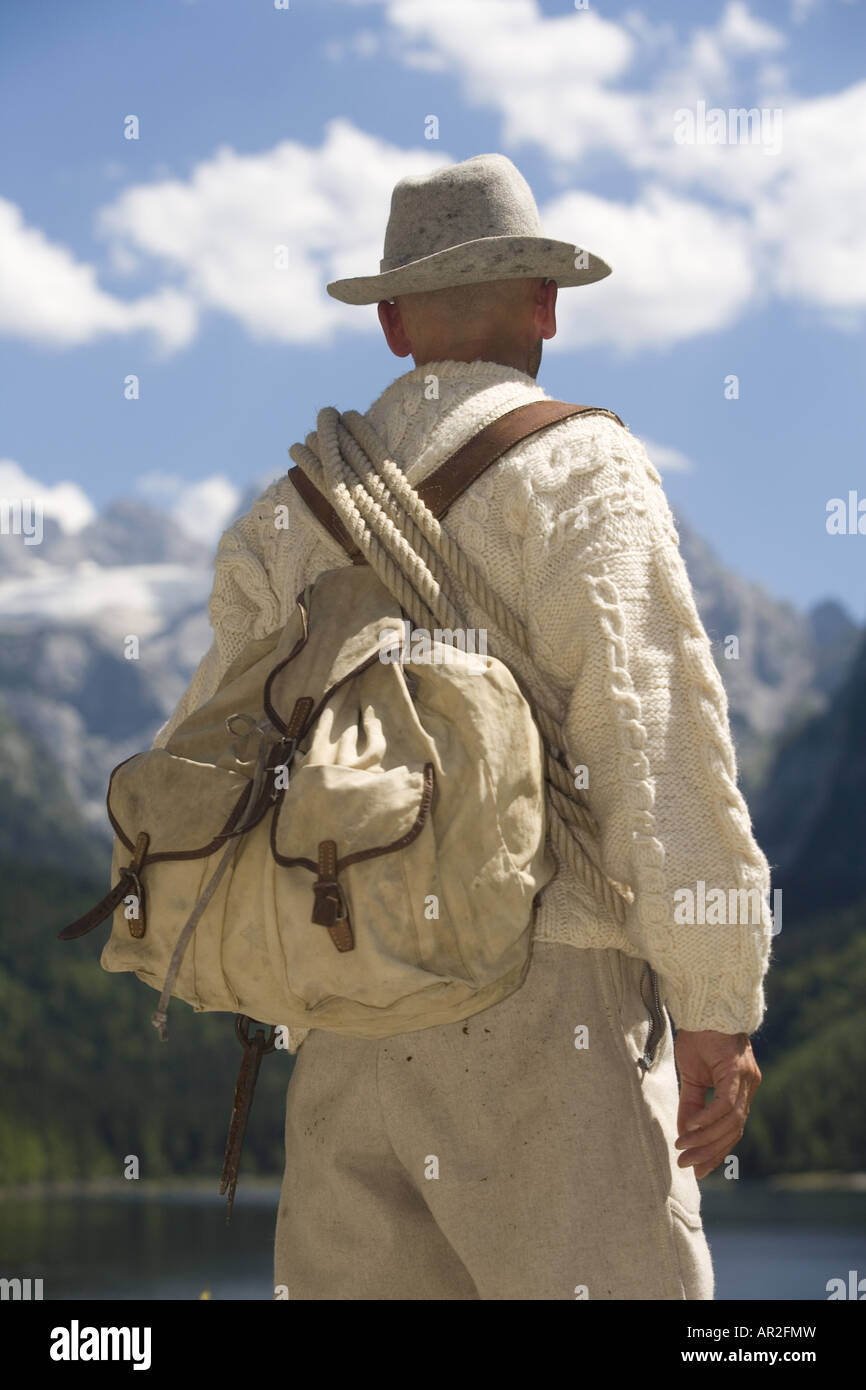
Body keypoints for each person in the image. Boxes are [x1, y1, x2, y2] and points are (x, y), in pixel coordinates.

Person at [155, 153, 771, 1300]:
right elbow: (660, 750)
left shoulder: (287, 516)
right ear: (545, 304)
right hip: (544, 1007)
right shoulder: (584, 466)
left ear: (390, 324)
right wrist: (714, 1002)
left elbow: (215, 753)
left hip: (343, 1012)